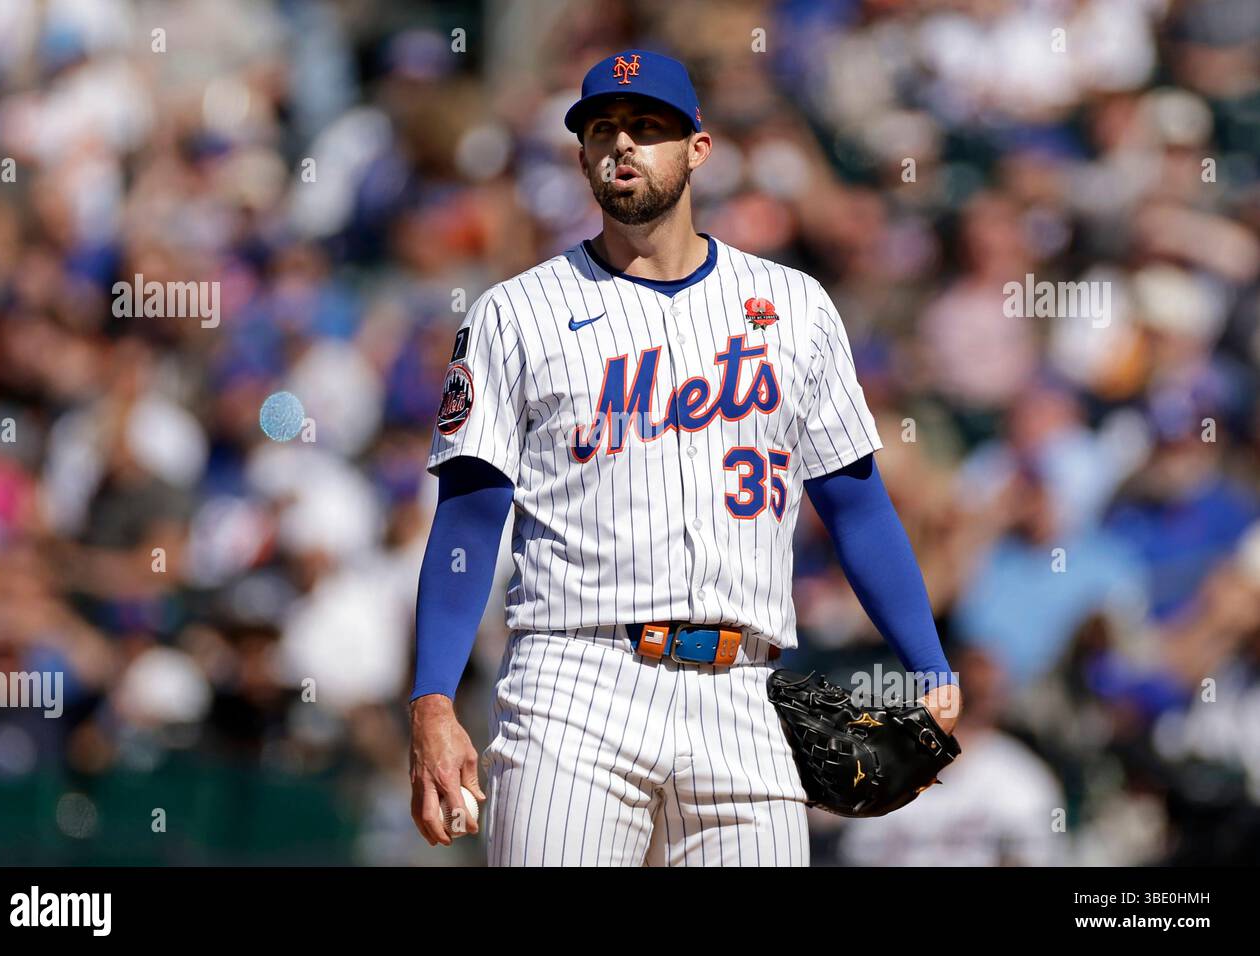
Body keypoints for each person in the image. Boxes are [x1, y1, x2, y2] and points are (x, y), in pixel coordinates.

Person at [407, 49, 961, 866]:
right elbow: (468, 519)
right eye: (602, 129)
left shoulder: (796, 308)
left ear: (697, 149)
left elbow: (855, 500)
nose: (621, 144)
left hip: (746, 688)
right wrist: (432, 698)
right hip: (575, 682)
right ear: (582, 155)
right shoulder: (514, 315)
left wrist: (927, 662)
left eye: (647, 127)